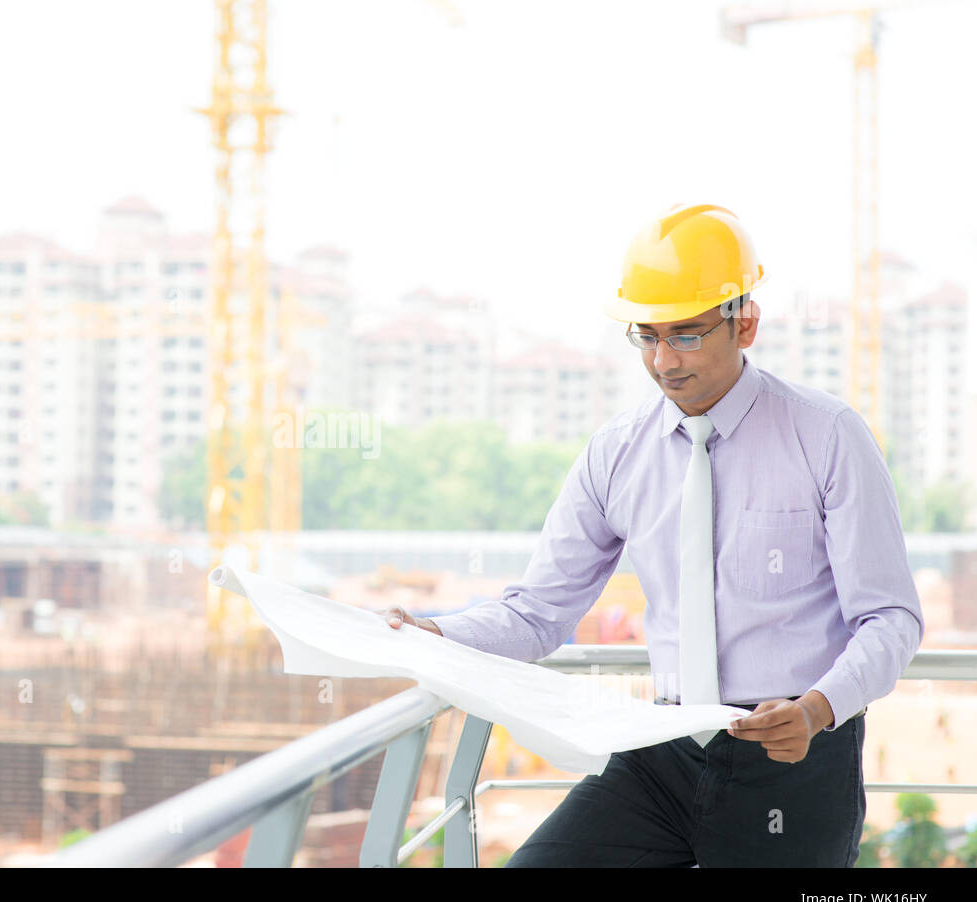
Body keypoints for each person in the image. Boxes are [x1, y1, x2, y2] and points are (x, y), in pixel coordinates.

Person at [374, 204, 923, 867]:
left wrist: (817, 708)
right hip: (662, 753)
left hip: (796, 757)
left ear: (744, 321)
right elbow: (537, 612)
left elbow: (890, 618)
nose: (664, 361)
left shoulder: (827, 435)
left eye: (687, 334)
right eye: (647, 336)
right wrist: (435, 631)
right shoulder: (615, 453)